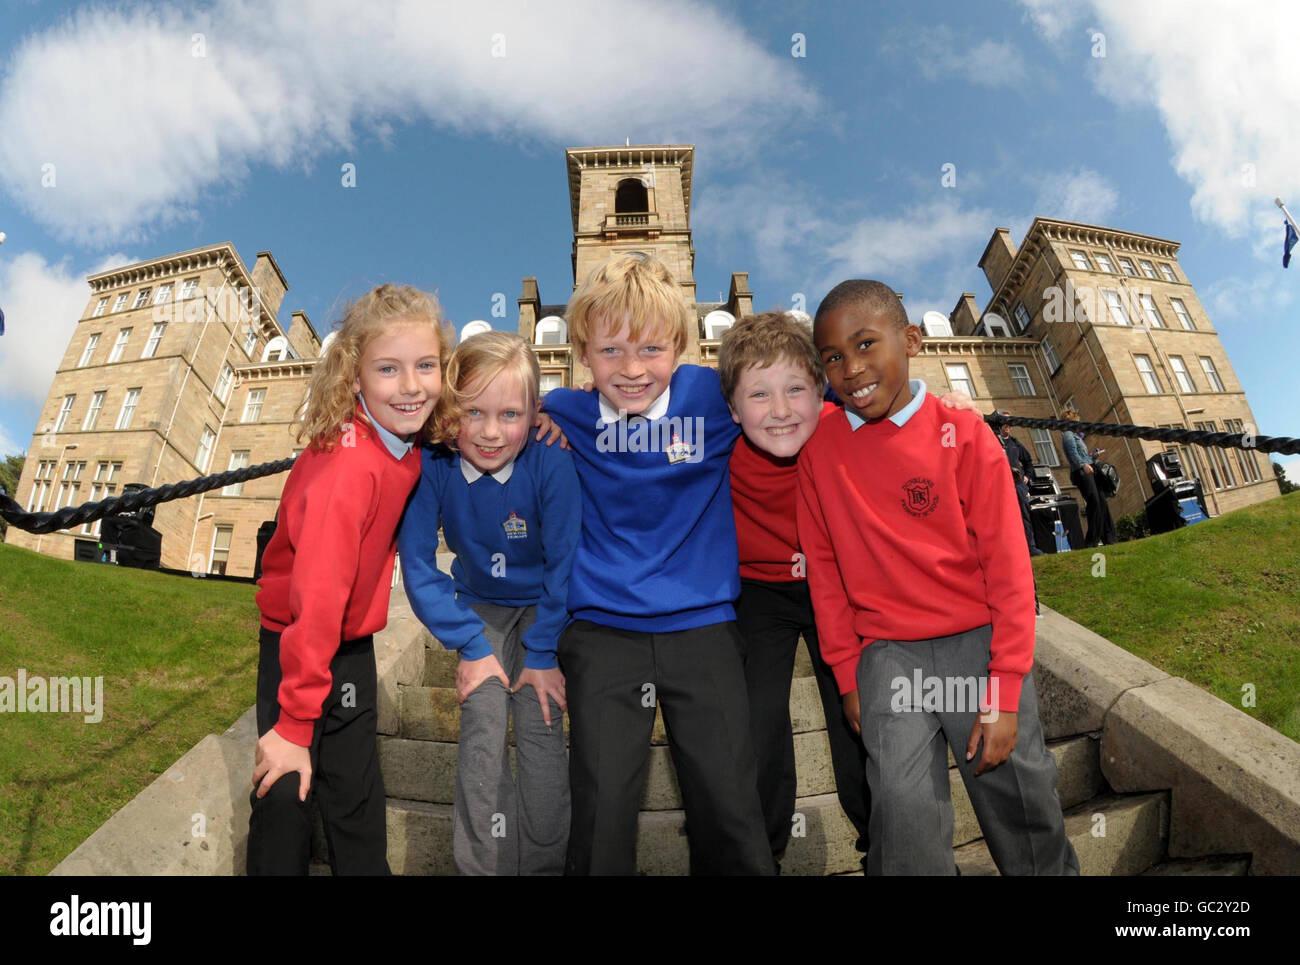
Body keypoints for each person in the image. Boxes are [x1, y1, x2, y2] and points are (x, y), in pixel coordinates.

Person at [796, 279, 1078, 876]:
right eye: (833, 357)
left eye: (867, 344)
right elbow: (823, 572)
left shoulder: (964, 430)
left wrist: (1003, 685)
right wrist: (847, 673)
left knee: (1020, 802)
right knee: (900, 813)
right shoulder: (818, 450)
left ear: (912, 341)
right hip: (887, 656)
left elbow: (1008, 567)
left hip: (976, 645)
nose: (852, 368)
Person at [720, 310, 979, 871]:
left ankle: (885, 849)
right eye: (760, 395)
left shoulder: (847, 424)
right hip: (757, 589)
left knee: (859, 720)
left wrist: (945, 401)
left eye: (796, 389)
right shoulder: (723, 440)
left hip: (835, 583)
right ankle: (762, 854)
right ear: (733, 410)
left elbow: (910, 417)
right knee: (755, 721)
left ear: (822, 393)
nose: (782, 410)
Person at [542, 254, 773, 875]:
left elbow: (804, 391)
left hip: (703, 628)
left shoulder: (714, 396)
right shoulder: (564, 413)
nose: (633, 369)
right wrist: (530, 418)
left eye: (651, 348)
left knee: (728, 805)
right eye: (611, 351)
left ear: (681, 344)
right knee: (601, 810)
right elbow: (468, 419)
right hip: (601, 633)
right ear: (584, 353)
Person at [249, 284, 449, 875]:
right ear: (355, 377)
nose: (411, 385)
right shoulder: (349, 466)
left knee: (356, 796)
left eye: (426, 366)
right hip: (299, 638)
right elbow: (318, 596)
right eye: (388, 369)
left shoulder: (405, 442)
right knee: (286, 787)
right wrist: (292, 723)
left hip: (351, 645)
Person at [398, 330, 580, 875]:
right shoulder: (435, 464)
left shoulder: (551, 459)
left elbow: (566, 562)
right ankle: (481, 867)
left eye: (510, 414)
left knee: (541, 722)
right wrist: (471, 645)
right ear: (450, 411)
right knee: (482, 723)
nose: (492, 432)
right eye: (473, 412)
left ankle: (545, 866)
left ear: (535, 413)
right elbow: (418, 564)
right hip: (477, 607)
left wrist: (544, 652)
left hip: (547, 607)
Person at [1061, 405, 1116, 547]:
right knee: (1094, 503)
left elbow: (1082, 455)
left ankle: (1109, 538)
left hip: (1089, 469)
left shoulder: (1076, 436)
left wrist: (1093, 456)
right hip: (1082, 472)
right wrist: (1083, 465)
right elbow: (1072, 454)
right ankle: (1092, 540)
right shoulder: (1068, 434)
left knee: (1102, 502)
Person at [996, 414, 1043, 558]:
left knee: (1025, 517)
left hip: (1018, 485)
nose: (1008, 425)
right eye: (1005, 422)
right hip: (1000, 486)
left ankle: (1031, 548)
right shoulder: (992, 440)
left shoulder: (1015, 443)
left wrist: (1027, 477)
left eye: (1010, 422)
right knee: (1005, 519)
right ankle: (1012, 552)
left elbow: (1028, 461)